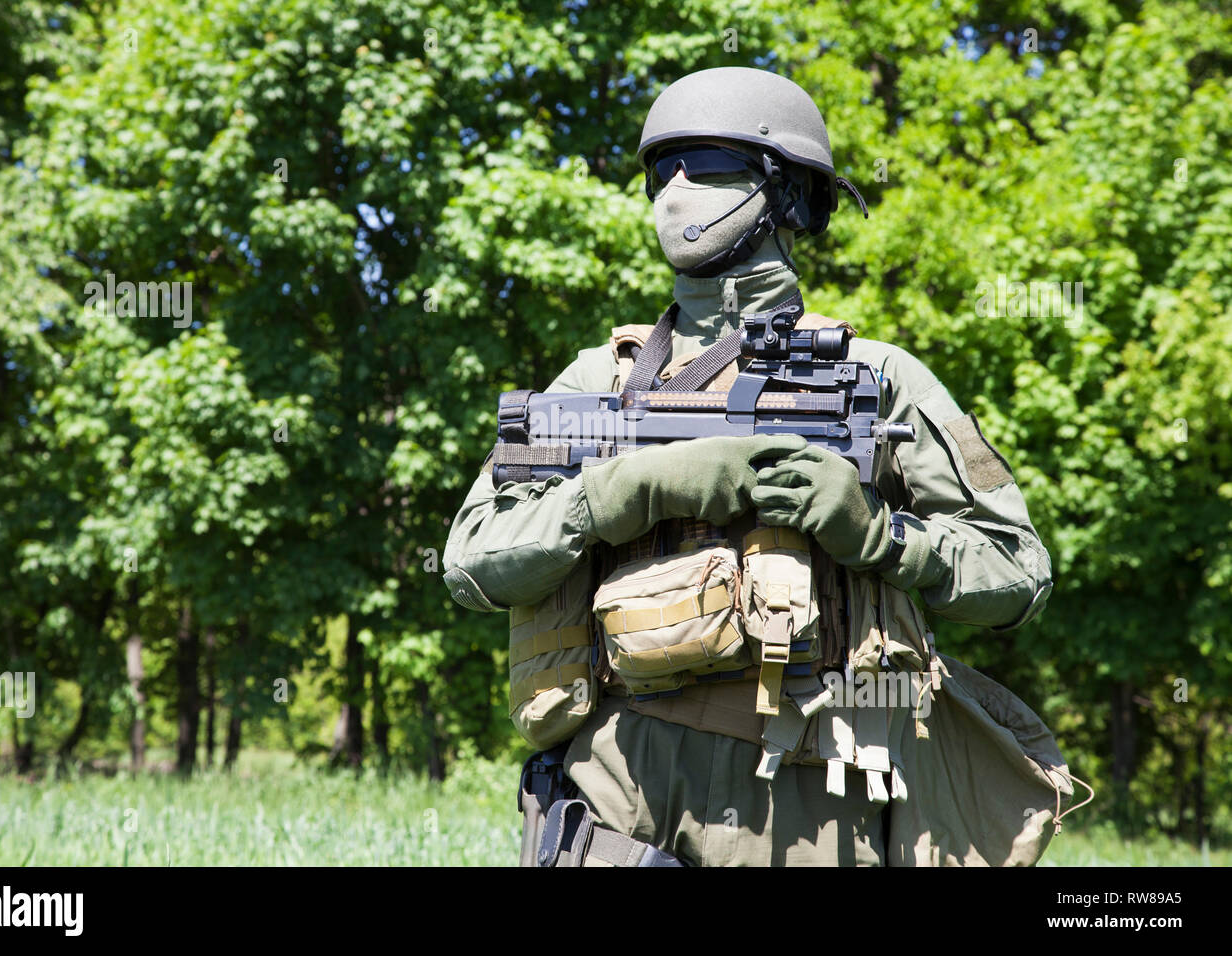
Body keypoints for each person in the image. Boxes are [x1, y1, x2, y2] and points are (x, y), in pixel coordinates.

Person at [443, 67, 1062, 866]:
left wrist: (881, 536)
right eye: (661, 170)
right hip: (617, 796)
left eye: (706, 163)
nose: (677, 190)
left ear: (788, 194)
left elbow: (1020, 571)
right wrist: (613, 496)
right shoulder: (597, 380)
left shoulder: (878, 378)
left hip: (812, 800)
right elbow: (469, 562)